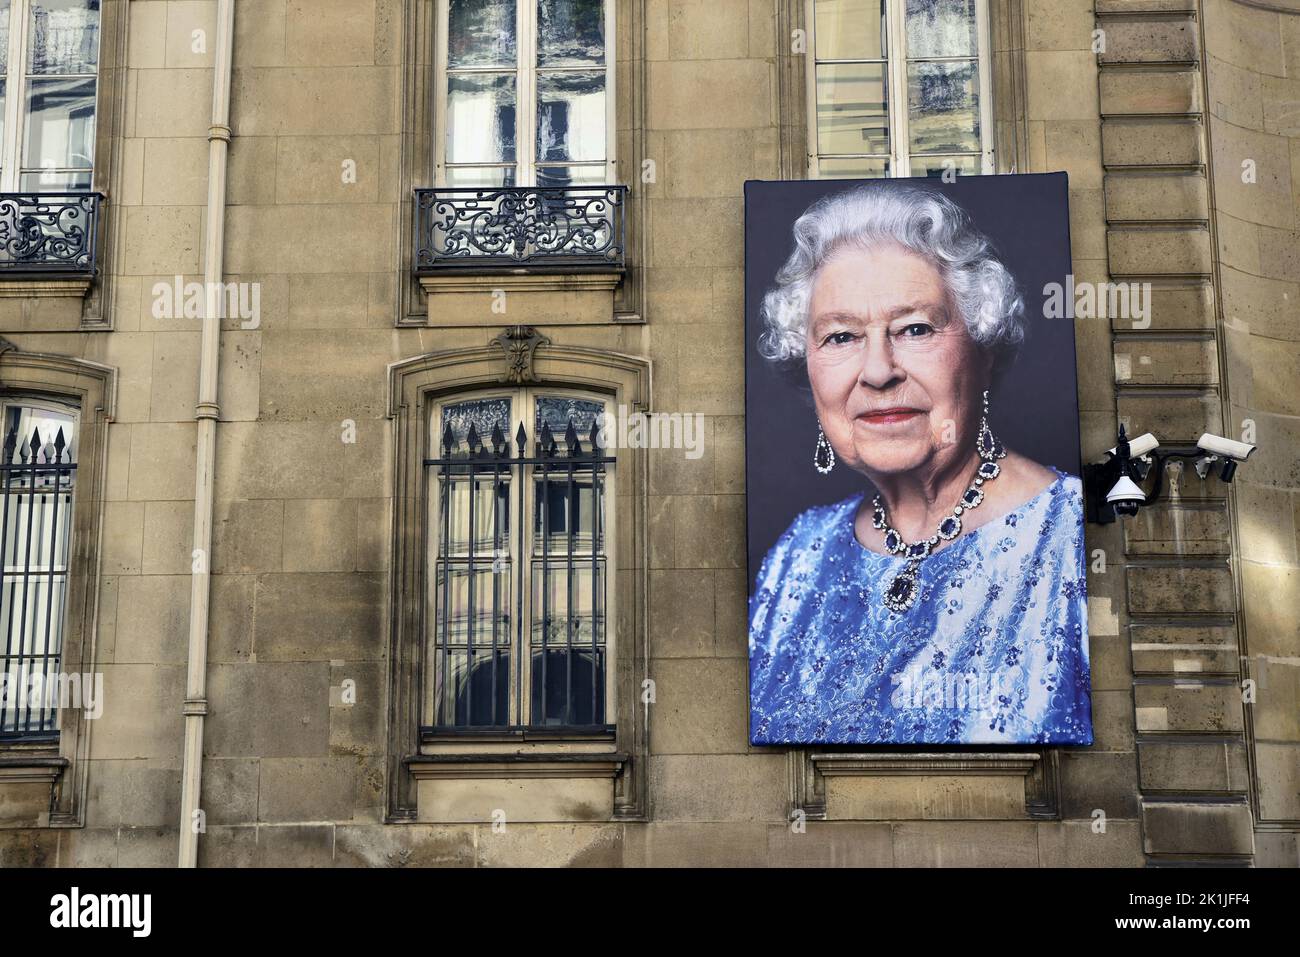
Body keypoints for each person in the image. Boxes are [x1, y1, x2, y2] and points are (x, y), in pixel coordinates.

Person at [748, 185, 1092, 745]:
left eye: (915, 329)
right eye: (841, 336)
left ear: (982, 349)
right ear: (807, 371)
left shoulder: (1072, 534)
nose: (878, 371)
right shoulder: (796, 557)